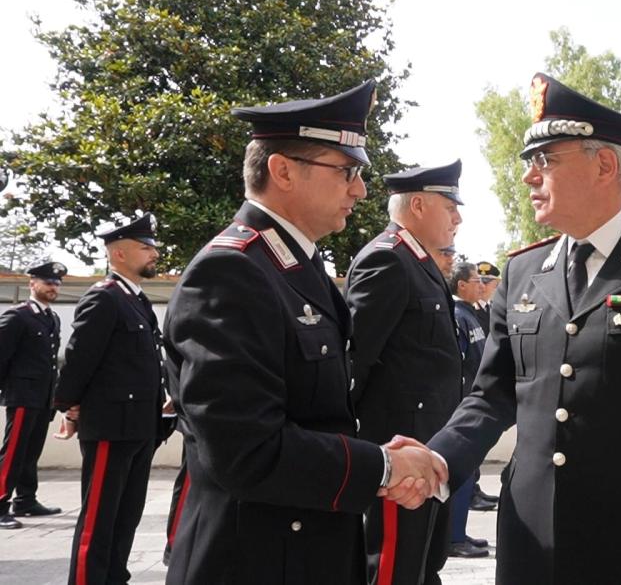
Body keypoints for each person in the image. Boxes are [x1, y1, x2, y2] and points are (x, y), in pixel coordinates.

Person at [426, 72, 621, 584]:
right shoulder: (522, 271)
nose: (529, 177)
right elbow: (491, 395)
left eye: (545, 161)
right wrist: (437, 459)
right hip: (530, 536)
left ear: (605, 165)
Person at [162, 80, 446, 585]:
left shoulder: (296, 267)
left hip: (304, 548)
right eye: (346, 172)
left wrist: (383, 456)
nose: (359, 190)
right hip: (253, 559)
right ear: (283, 170)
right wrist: (381, 466)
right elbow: (245, 449)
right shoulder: (232, 273)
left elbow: (319, 413)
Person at [345, 160, 465, 585]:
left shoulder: (419, 263)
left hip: (429, 444)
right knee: (394, 567)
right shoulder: (388, 260)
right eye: (450, 205)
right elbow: (353, 363)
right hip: (398, 449)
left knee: (423, 563)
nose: (458, 217)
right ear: (417, 204)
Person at [53, 215, 167, 584]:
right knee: (99, 519)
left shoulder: (136, 300)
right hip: (110, 426)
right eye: (145, 247)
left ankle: (115, 577)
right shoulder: (104, 297)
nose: (155, 253)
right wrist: (69, 407)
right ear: (119, 253)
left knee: (126, 515)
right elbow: (80, 358)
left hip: (140, 425)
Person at [0, 261, 67, 530]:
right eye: (48, 282)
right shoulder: (17, 316)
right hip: (22, 395)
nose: (53, 287)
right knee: (14, 451)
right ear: (32, 284)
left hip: (43, 397)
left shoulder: (52, 318)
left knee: (31, 451)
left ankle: (26, 500)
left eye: (57, 283)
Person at [446, 262, 491, 557]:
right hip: (462, 403)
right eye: (476, 280)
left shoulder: (472, 315)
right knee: (459, 477)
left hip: (473, 399)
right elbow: (457, 364)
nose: (481, 285)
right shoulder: (458, 316)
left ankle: (459, 533)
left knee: (468, 476)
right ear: (461, 285)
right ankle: (453, 538)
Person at [469, 260, 502, 509]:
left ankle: (474, 488)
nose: (482, 287)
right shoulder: (469, 311)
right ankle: (471, 490)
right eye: (479, 282)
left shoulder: (491, 309)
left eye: (487, 283)